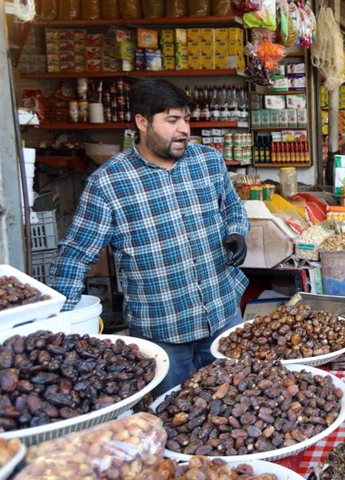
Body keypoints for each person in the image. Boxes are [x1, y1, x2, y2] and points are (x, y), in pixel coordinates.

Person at [50, 78, 249, 397]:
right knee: (171, 414)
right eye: (172, 120)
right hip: (163, 329)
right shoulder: (109, 183)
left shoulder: (208, 161)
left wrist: (237, 232)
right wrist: (55, 329)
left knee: (238, 408)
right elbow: (75, 256)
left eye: (186, 118)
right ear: (142, 122)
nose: (183, 129)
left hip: (222, 314)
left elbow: (232, 208)